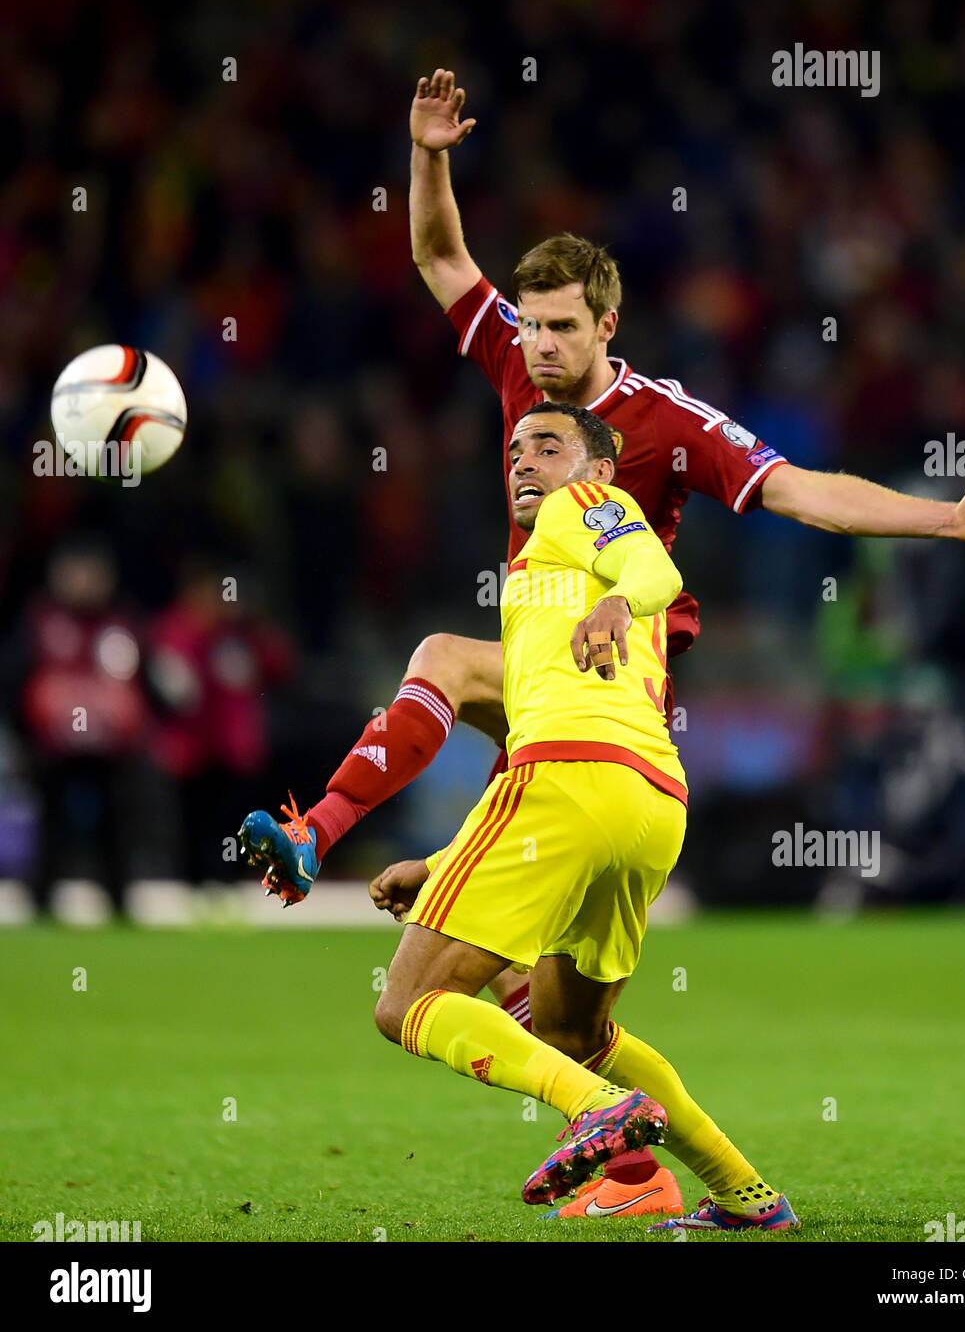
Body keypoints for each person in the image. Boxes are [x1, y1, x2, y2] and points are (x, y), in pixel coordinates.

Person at [240, 68, 965, 1218]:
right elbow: (438, 260)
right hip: (609, 746)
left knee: (444, 676)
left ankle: (319, 835)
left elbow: (802, 491)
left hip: (610, 683)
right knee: (573, 1017)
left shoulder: (666, 428)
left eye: (564, 326)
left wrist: (942, 519)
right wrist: (428, 155)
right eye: (534, 323)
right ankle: (707, 1186)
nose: (541, 345)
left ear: (609, 325)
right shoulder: (518, 366)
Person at [244, 403, 799, 1231]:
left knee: (407, 1006)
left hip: (573, 782)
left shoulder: (587, 514)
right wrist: (442, 864)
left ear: (600, 469)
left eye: (549, 446)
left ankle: (594, 1111)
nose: (525, 461)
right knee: (575, 1027)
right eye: (514, 449)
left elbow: (656, 572)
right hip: (649, 807)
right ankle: (748, 1196)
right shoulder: (542, 579)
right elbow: (535, 742)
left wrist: (619, 605)